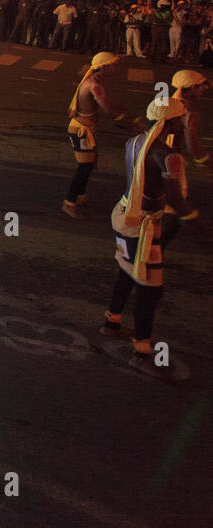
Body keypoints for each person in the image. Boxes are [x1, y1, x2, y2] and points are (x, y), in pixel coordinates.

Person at [101, 97, 198, 380]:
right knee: (150, 288)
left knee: (127, 270)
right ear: (170, 123)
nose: (184, 125)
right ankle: (141, 353)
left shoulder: (133, 142)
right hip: (141, 226)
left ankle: (112, 322)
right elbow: (177, 200)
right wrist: (195, 222)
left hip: (122, 215)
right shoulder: (166, 156)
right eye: (181, 120)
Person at [63, 51, 140, 218]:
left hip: (84, 129)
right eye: (113, 65)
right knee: (84, 167)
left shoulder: (95, 83)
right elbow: (109, 109)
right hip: (80, 131)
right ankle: (69, 202)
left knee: (87, 165)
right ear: (104, 67)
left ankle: (80, 195)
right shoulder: (94, 85)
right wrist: (129, 123)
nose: (115, 68)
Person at [170, 70, 209, 166]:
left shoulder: (172, 101)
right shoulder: (187, 112)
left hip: (162, 156)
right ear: (193, 88)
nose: (203, 89)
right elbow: (192, 146)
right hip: (170, 160)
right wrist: (208, 162)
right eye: (200, 86)